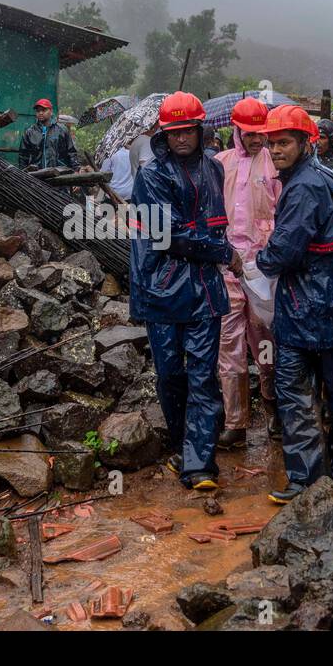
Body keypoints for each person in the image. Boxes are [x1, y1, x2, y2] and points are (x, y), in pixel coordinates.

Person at [255, 106, 333, 504]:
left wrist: (260, 258)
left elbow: (282, 253)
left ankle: (309, 482)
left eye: (284, 142)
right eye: (271, 143)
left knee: (297, 395)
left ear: (306, 143)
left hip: (311, 309)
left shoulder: (303, 187)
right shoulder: (325, 176)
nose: (275, 150)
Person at [128, 91, 234, 490]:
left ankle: (199, 464)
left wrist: (219, 249)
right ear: (164, 134)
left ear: (199, 128)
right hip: (161, 286)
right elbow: (169, 236)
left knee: (203, 375)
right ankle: (183, 446)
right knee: (171, 374)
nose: (181, 138)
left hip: (205, 290)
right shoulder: (152, 176)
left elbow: (214, 223)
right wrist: (223, 252)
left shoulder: (214, 169)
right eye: (173, 132)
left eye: (187, 130)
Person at [213, 97, 280, 448]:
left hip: (264, 271)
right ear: (236, 130)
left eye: (261, 134)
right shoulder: (219, 164)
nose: (257, 140)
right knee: (229, 347)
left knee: (266, 343)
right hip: (226, 268)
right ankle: (235, 422)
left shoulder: (275, 166)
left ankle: (273, 409)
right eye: (250, 134)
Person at [17, 98, 78, 170]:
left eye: (44, 110)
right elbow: (23, 156)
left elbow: (71, 152)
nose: (40, 113)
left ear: (51, 111)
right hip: (37, 175)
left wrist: (76, 168)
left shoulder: (62, 130)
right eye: (38, 111)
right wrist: (23, 173)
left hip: (59, 174)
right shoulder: (29, 132)